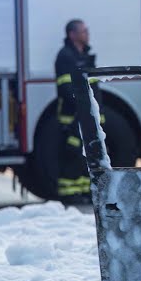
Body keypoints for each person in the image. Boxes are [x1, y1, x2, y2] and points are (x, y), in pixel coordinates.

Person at [54, 18, 102, 204]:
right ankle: (69, 193)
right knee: (72, 152)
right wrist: (82, 108)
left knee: (86, 154)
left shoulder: (85, 56)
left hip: (87, 115)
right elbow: (66, 88)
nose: (87, 34)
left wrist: (96, 112)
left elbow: (94, 87)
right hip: (72, 115)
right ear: (72, 34)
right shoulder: (65, 56)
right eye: (83, 31)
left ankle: (84, 191)